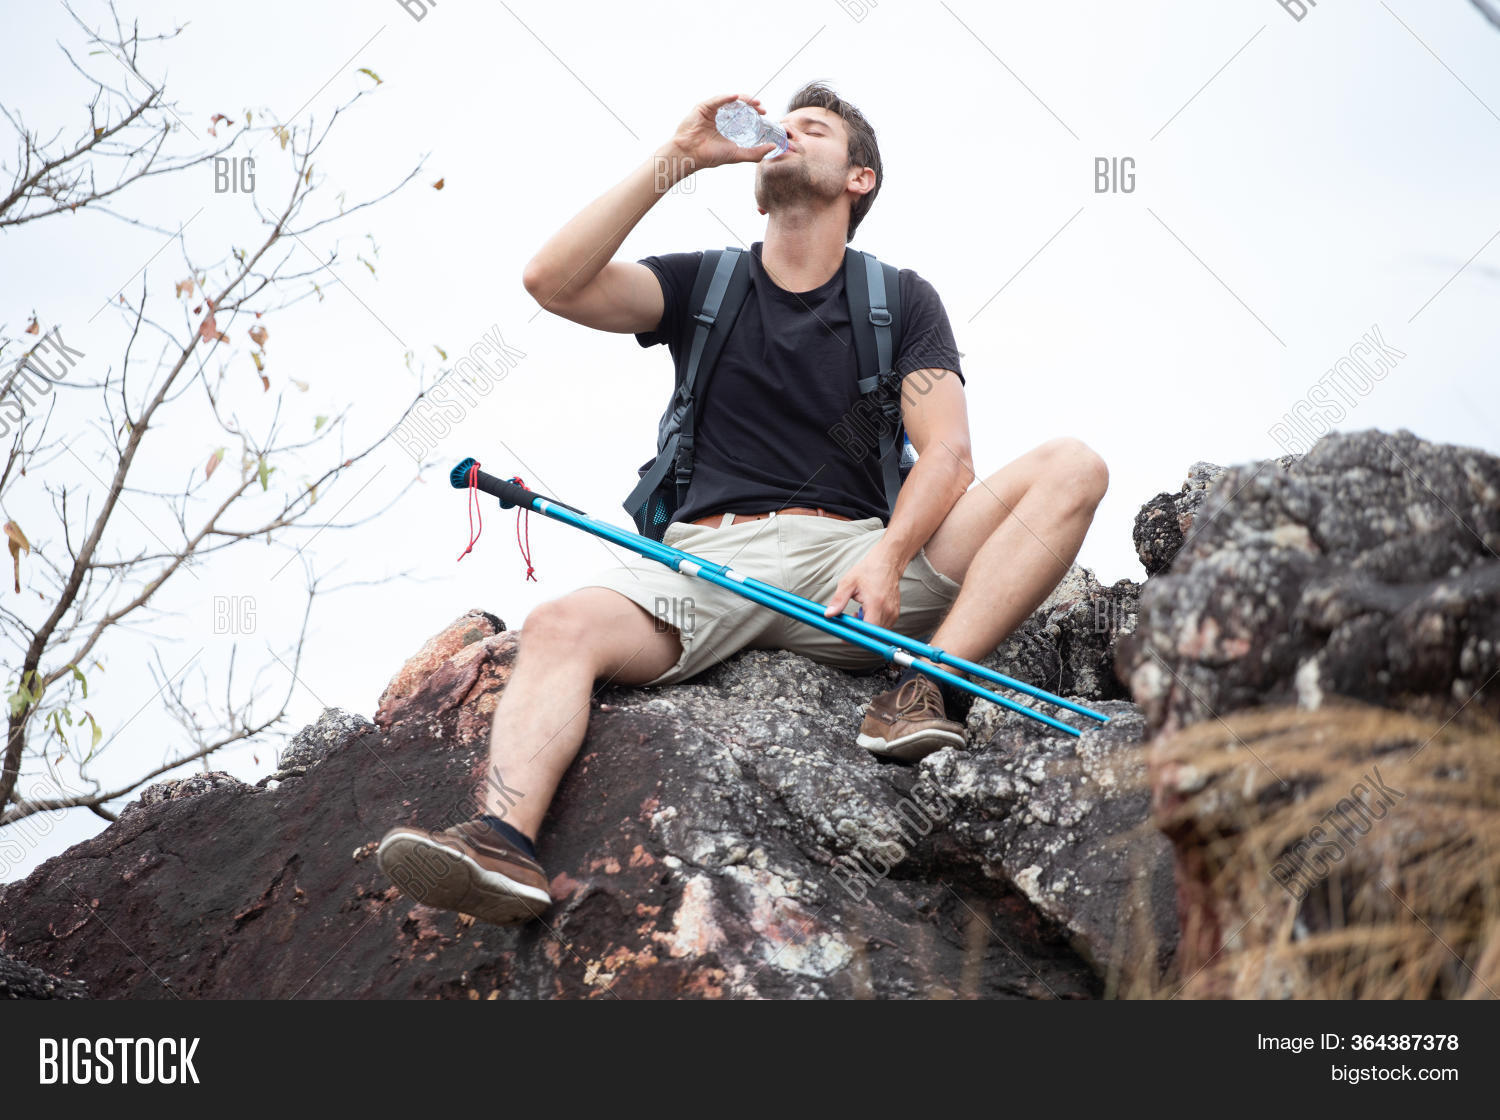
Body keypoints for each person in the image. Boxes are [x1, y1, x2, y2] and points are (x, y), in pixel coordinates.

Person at [376, 82, 1109, 926]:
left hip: (860, 566)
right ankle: (504, 843)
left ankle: (924, 685)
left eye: (813, 127)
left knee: (1072, 466)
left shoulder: (900, 299)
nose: (784, 133)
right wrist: (677, 158)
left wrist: (889, 555)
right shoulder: (707, 284)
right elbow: (551, 281)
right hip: (709, 564)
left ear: (859, 178)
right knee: (559, 626)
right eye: (780, 125)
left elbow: (947, 453)